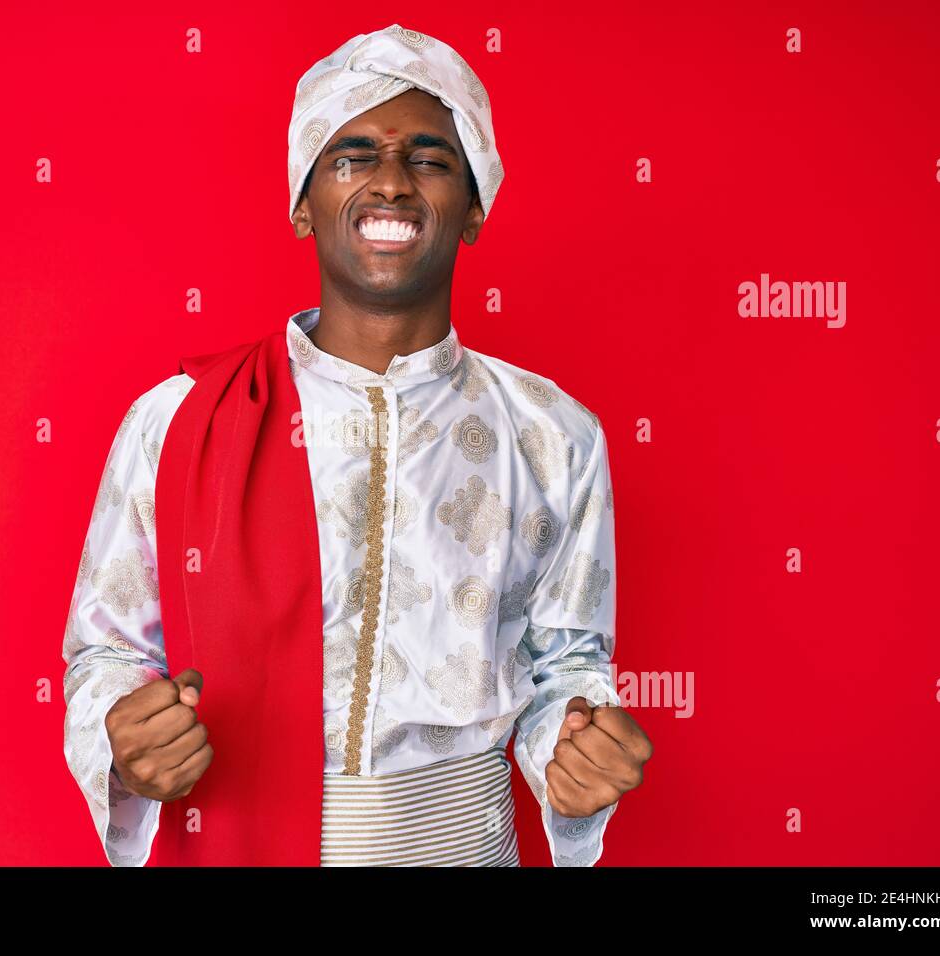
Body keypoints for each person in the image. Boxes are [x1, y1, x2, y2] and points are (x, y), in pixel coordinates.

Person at [62, 22, 652, 867]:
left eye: (428, 158)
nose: (390, 182)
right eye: (351, 155)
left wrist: (576, 746)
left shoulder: (553, 433)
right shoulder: (179, 420)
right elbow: (107, 653)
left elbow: (564, 664)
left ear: (476, 204)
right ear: (303, 203)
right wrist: (122, 732)